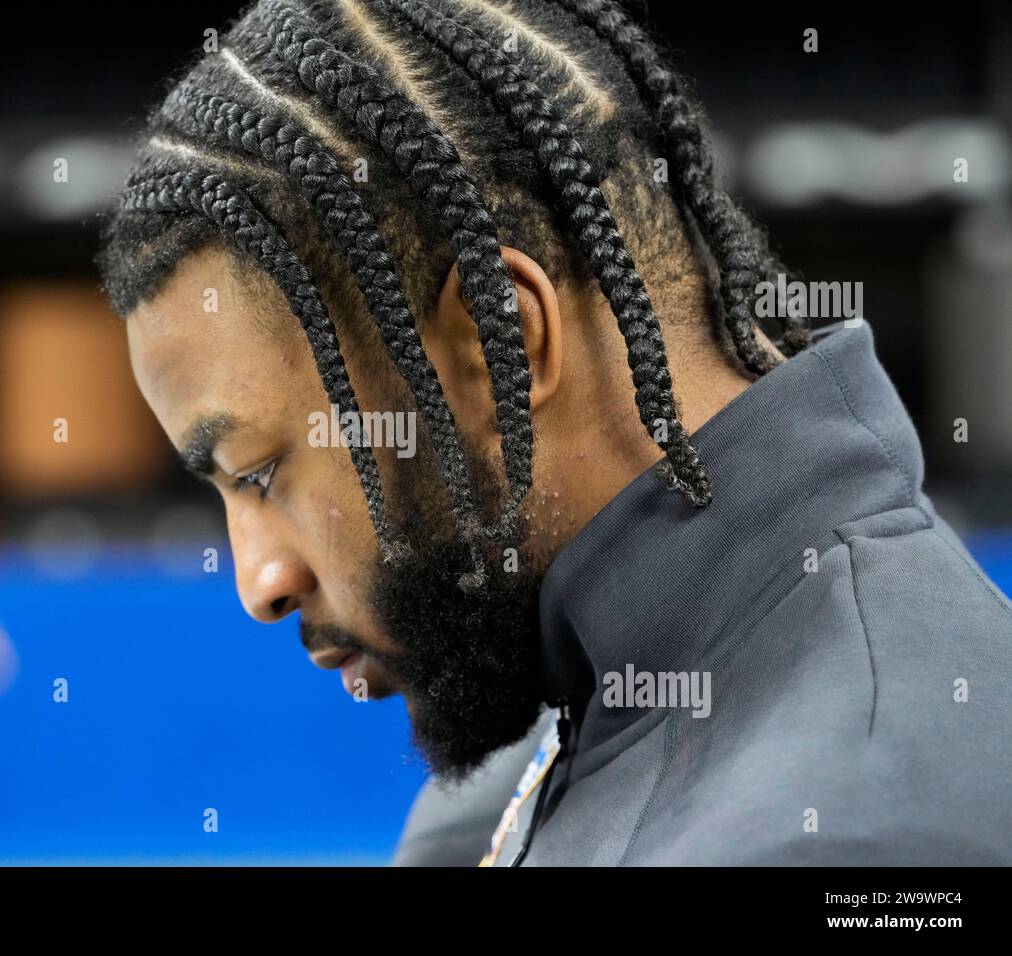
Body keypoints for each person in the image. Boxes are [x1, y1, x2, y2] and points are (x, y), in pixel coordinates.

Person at [96, 0, 1012, 864]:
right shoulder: (523, 760)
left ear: (497, 350)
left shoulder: (866, 829)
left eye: (255, 472)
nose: (257, 582)